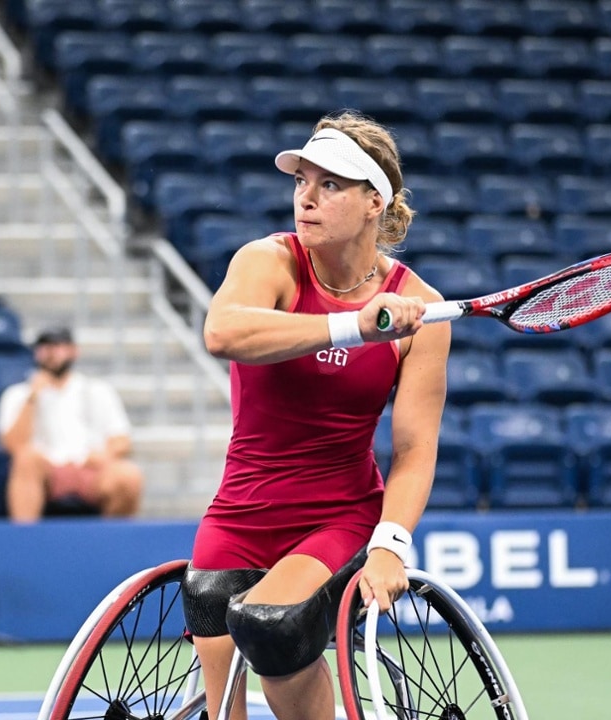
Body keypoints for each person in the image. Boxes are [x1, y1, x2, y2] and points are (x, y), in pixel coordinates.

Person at [181, 111, 451, 720]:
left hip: (337, 518)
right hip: (238, 512)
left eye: (330, 185)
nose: (306, 197)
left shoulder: (421, 311)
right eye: (301, 180)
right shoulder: (268, 261)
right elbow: (223, 331)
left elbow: (413, 451)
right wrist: (352, 326)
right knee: (223, 699)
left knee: (271, 626)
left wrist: (391, 543)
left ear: (373, 202)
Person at [0, 326, 144, 522]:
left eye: (58, 346)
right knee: (26, 460)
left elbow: (122, 440)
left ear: (74, 351)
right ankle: (25, 538)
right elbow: (14, 445)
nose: (51, 353)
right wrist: (32, 398)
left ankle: (115, 542)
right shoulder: (17, 394)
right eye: (45, 347)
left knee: (128, 475)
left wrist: (105, 455)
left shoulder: (98, 390)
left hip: (89, 468)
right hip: (45, 469)